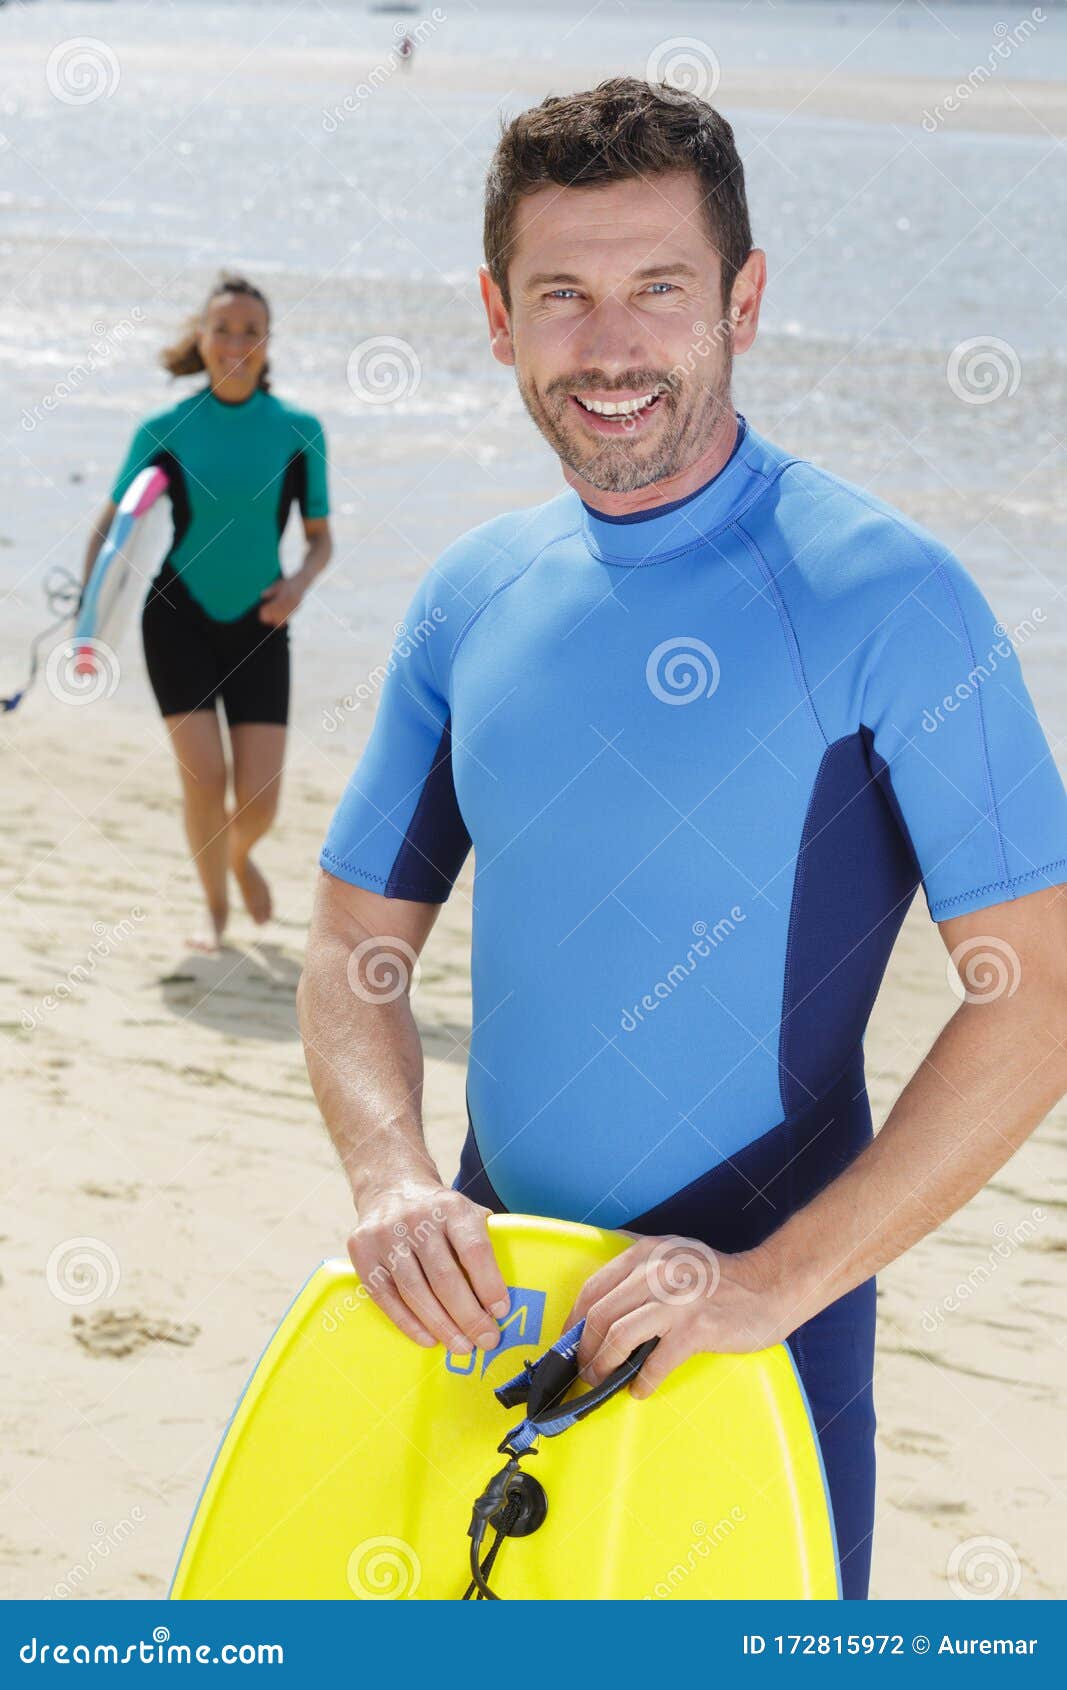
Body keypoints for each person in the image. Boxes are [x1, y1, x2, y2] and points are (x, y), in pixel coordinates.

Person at [298, 80, 1067, 1598]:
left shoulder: (890, 599)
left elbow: (1036, 991)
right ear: (496, 315)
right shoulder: (470, 596)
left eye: (658, 288)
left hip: (749, 1346)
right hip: (483, 1313)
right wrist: (391, 1177)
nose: (609, 346)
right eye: (560, 295)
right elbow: (349, 940)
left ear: (743, 301)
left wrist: (768, 1284)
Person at [86, 274, 332, 950]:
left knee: (259, 801)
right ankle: (215, 912)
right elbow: (113, 528)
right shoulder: (164, 428)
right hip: (177, 617)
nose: (235, 342)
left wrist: (299, 585)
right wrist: (86, 621)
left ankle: (238, 855)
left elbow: (320, 539)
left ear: (267, 342)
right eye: (222, 328)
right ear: (200, 336)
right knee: (205, 780)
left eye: (251, 330)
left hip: (263, 620)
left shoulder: (299, 431)